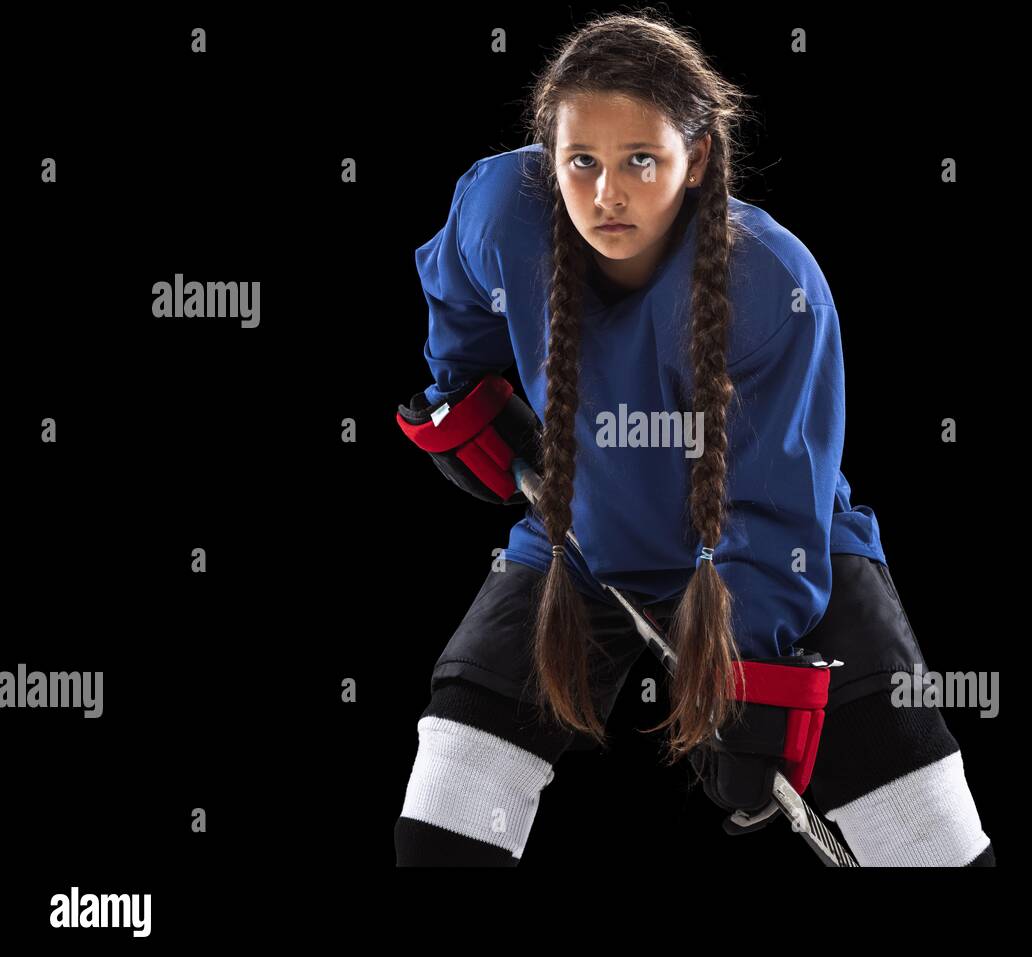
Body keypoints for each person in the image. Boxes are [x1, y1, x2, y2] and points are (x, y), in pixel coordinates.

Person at [393, 9, 994, 867]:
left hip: (773, 556)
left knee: (931, 850)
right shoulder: (502, 210)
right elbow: (456, 287)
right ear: (549, 161)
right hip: (579, 535)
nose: (607, 193)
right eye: (581, 162)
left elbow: (777, 506)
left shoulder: (775, 284)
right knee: (443, 815)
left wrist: (749, 667)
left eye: (641, 159)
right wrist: (465, 392)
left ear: (698, 156)